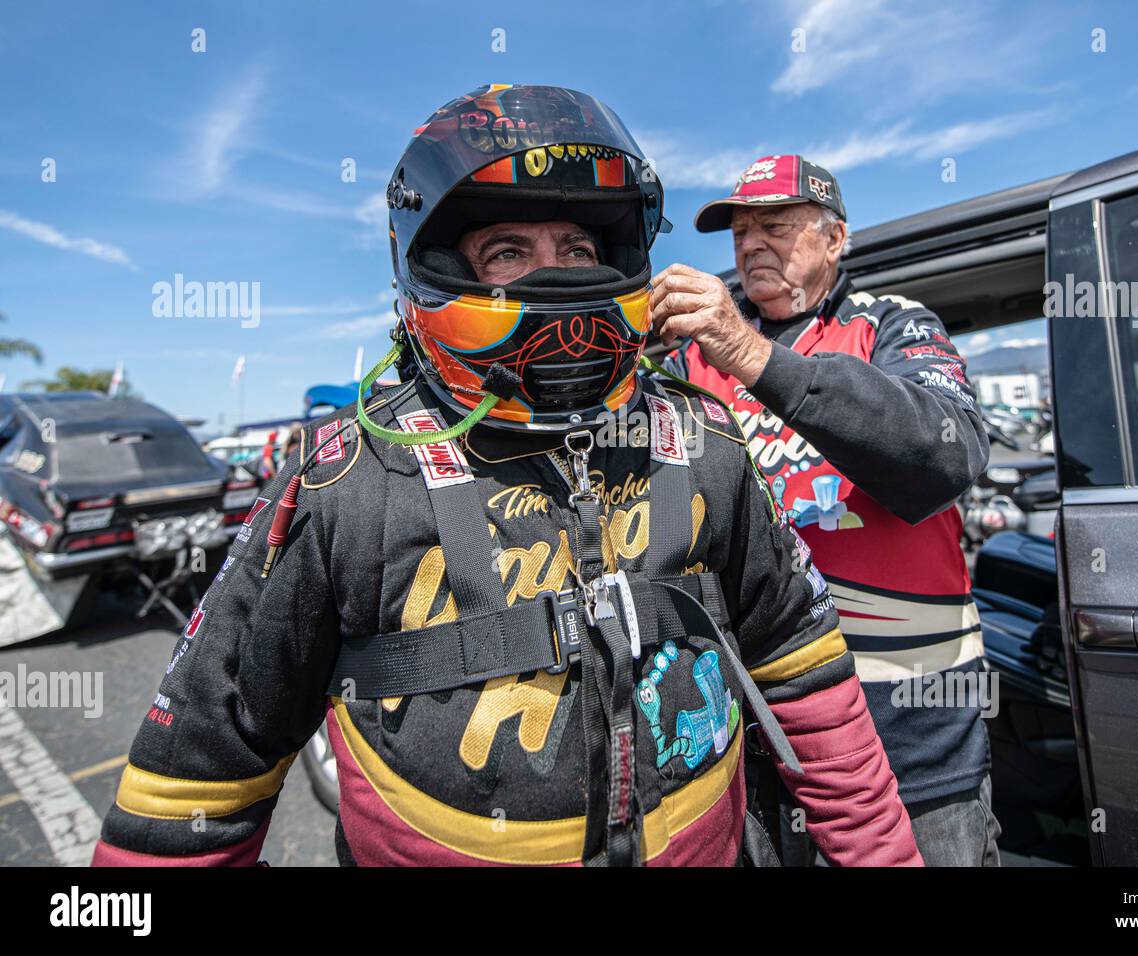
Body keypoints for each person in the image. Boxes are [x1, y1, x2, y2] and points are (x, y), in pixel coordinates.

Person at [91, 86, 920, 867]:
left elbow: (816, 695)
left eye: (579, 249)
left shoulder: (697, 438)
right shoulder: (347, 477)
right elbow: (187, 793)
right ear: (442, 266)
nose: (556, 273)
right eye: (510, 252)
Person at [656, 154, 998, 866]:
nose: (751, 245)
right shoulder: (692, 357)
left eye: (774, 225)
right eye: (740, 233)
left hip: (912, 745)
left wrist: (752, 355)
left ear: (835, 239)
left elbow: (945, 456)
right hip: (756, 744)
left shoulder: (891, 325)